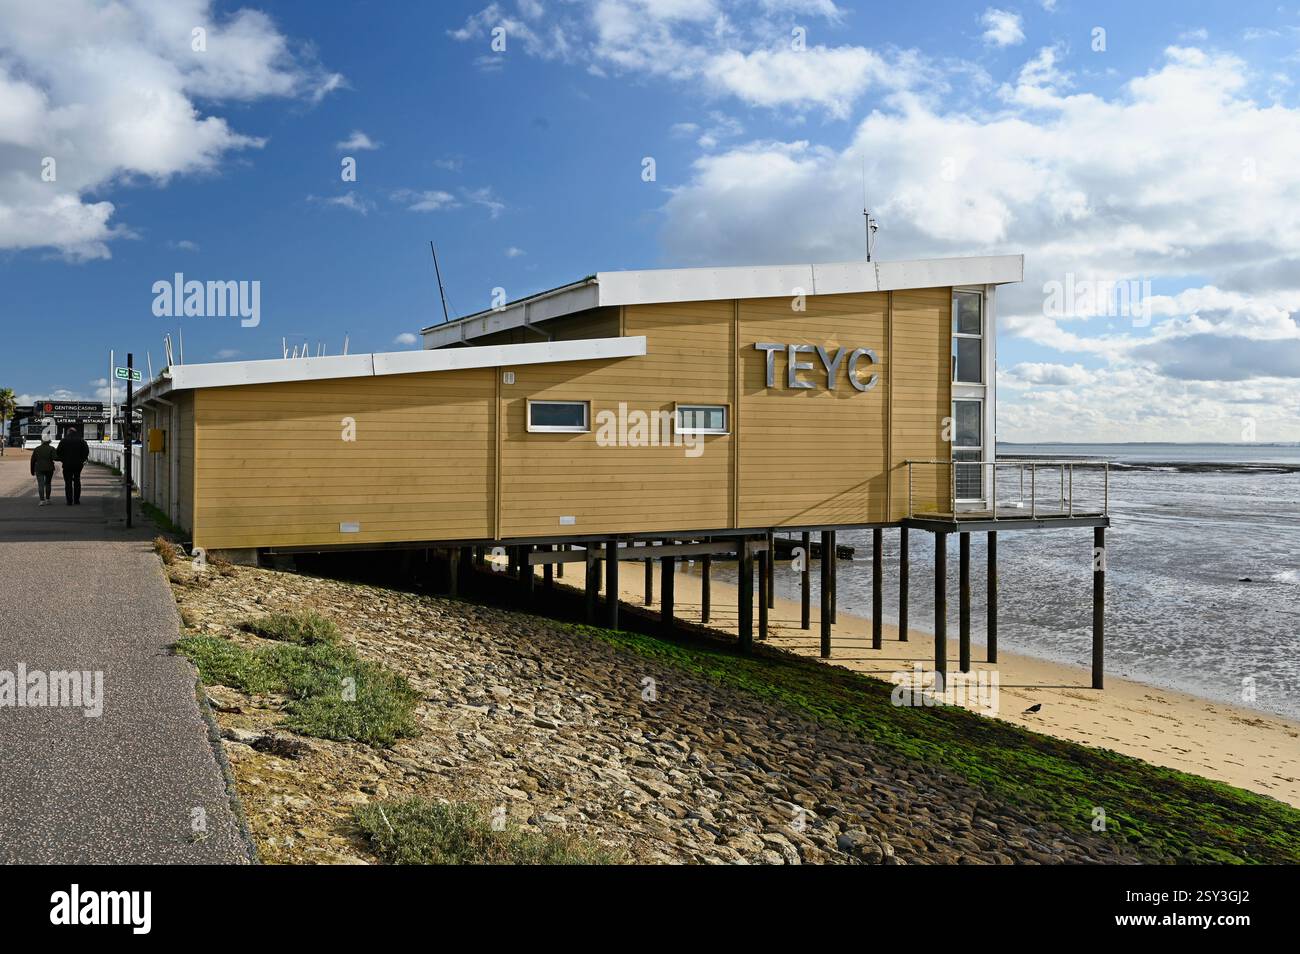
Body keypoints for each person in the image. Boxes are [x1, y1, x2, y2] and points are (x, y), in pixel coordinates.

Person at [57, 426, 90, 505]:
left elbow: (58, 452)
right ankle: (76, 500)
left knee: (68, 482)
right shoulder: (81, 440)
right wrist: (82, 460)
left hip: (67, 464)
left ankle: (69, 501)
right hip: (78, 464)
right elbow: (86, 451)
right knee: (77, 481)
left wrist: (63, 460)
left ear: (68, 432)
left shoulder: (63, 441)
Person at [30, 435, 56, 506]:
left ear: (42, 441)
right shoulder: (52, 448)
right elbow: (55, 457)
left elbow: (32, 460)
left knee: (40, 484)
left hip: (39, 468)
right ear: (49, 441)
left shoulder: (37, 449)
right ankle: (48, 499)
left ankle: (42, 500)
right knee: (48, 483)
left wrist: (32, 471)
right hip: (49, 468)